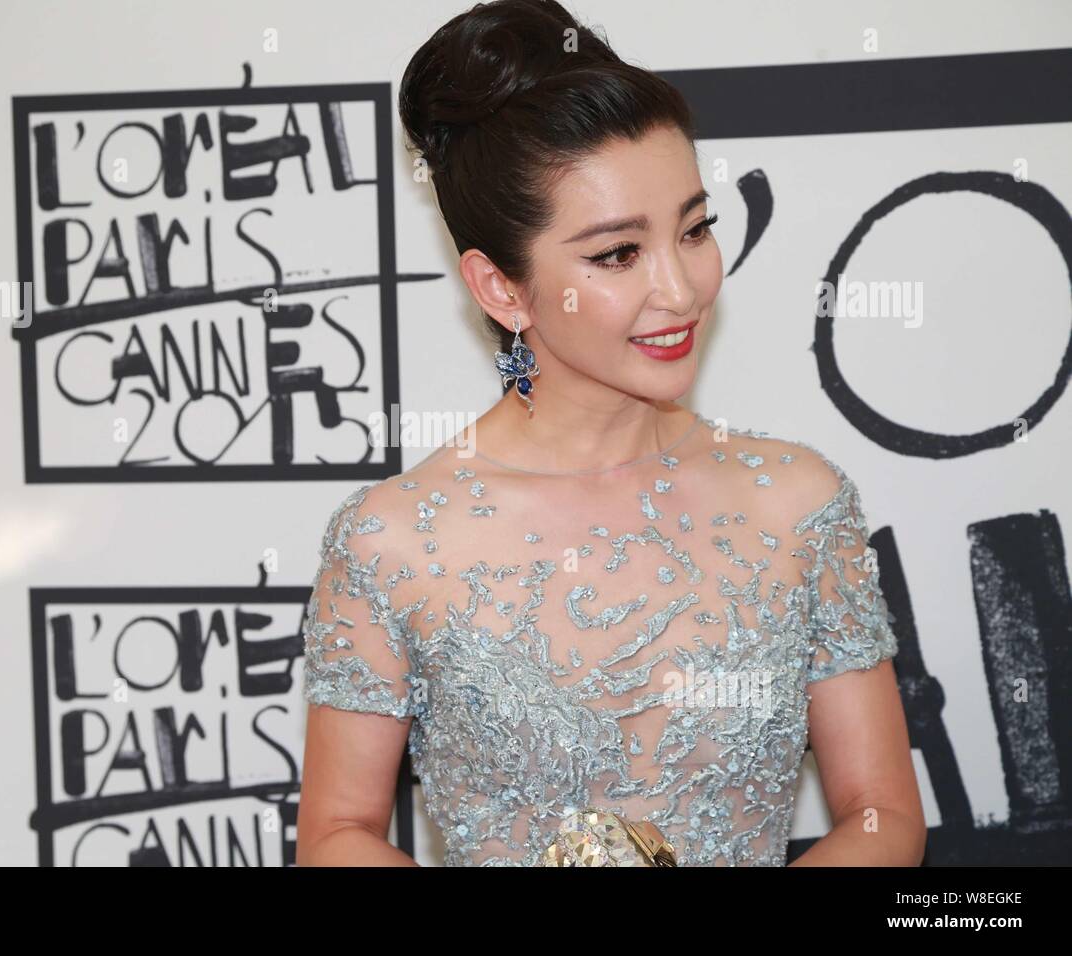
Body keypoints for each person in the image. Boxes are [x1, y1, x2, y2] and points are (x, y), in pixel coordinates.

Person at [296, 0, 925, 867]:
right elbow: (337, 835)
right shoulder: (392, 543)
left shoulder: (799, 505)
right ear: (503, 290)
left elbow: (882, 815)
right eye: (618, 255)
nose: (681, 287)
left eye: (695, 229)